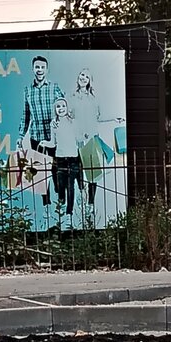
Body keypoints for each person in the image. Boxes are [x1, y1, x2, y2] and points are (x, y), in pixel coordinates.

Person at [70, 69, 125, 216]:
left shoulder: (94, 99)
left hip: (92, 139)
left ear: (90, 81)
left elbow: (99, 117)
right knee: (78, 170)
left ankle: (91, 204)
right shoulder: (72, 97)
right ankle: (81, 193)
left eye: (87, 77)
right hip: (77, 140)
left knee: (93, 173)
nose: (83, 78)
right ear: (78, 77)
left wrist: (114, 119)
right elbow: (68, 117)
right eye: (82, 75)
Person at [17, 55, 64, 207]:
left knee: (57, 169)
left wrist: (62, 126)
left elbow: (64, 108)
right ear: (33, 69)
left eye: (42, 67)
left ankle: (60, 200)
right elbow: (26, 115)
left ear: (46, 69)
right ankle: (46, 204)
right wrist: (20, 136)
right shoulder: (28, 90)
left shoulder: (54, 87)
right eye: (37, 67)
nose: (40, 70)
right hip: (36, 136)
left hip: (54, 136)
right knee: (41, 172)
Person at [38, 97, 82, 226]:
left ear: (67, 108)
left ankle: (69, 214)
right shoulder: (54, 124)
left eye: (63, 106)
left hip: (73, 159)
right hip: (60, 159)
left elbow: (79, 138)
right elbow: (53, 143)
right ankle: (61, 207)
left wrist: (84, 135)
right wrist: (44, 143)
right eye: (58, 107)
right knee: (60, 187)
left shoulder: (74, 122)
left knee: (71, 187)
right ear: (55, 110)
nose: (61, 109)